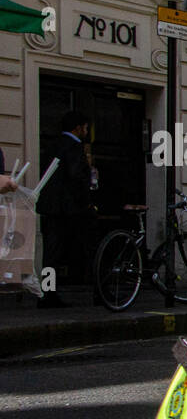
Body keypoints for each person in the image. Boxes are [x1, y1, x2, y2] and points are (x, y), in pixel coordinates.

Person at [36, 110, 95, 308]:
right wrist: (86, 201)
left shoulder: (51, 144)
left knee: (50, 254)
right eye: (85, 128)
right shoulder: (74, 147)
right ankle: (99, 290)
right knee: (88, 248)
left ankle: (48, 293)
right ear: (77, 128)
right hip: (69, 209)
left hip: (49, 207)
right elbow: (76, 175)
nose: (86, 132)